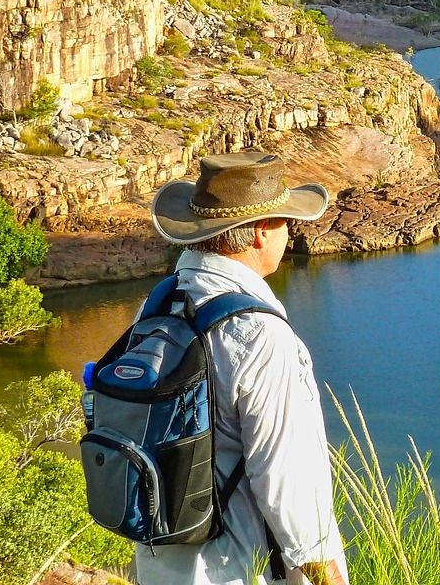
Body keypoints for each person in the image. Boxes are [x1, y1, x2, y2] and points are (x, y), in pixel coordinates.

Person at [141, 151, 349, 585]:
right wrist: (322, 571)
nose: (289, 233)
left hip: (161, 561)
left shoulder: (161, 303)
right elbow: (285, 476)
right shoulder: (259, 334)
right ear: (259, 233)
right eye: (284, 221)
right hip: (233, 568)